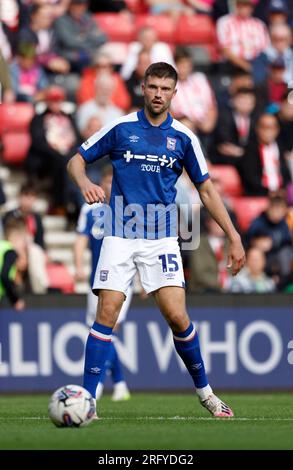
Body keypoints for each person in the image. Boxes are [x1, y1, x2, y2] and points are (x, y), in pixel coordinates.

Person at [67, 62, 246, 418]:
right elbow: (76, 160)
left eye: (165, 89)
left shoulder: (183, 137)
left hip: (161, 238)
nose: (158, 94)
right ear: (143, 88)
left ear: (174, 93)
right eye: (152, 87)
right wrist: (85, 182)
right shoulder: (121, 128)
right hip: (119, 233)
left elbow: (207, 191)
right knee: (106, 313)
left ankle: (206, 394)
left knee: (178, 317)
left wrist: (234, 235)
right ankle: (87, 400)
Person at [74, 166, 131, 401]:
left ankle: (97, 385)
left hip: (123, 281)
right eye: (106, 181)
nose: (109, 186)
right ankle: (119, 384)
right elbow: (80, 239)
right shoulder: (90, 210)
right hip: (95, 281)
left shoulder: (128, 209)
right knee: (100, 331)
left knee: (108, 329)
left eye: (112, 182)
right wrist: (78, 264)